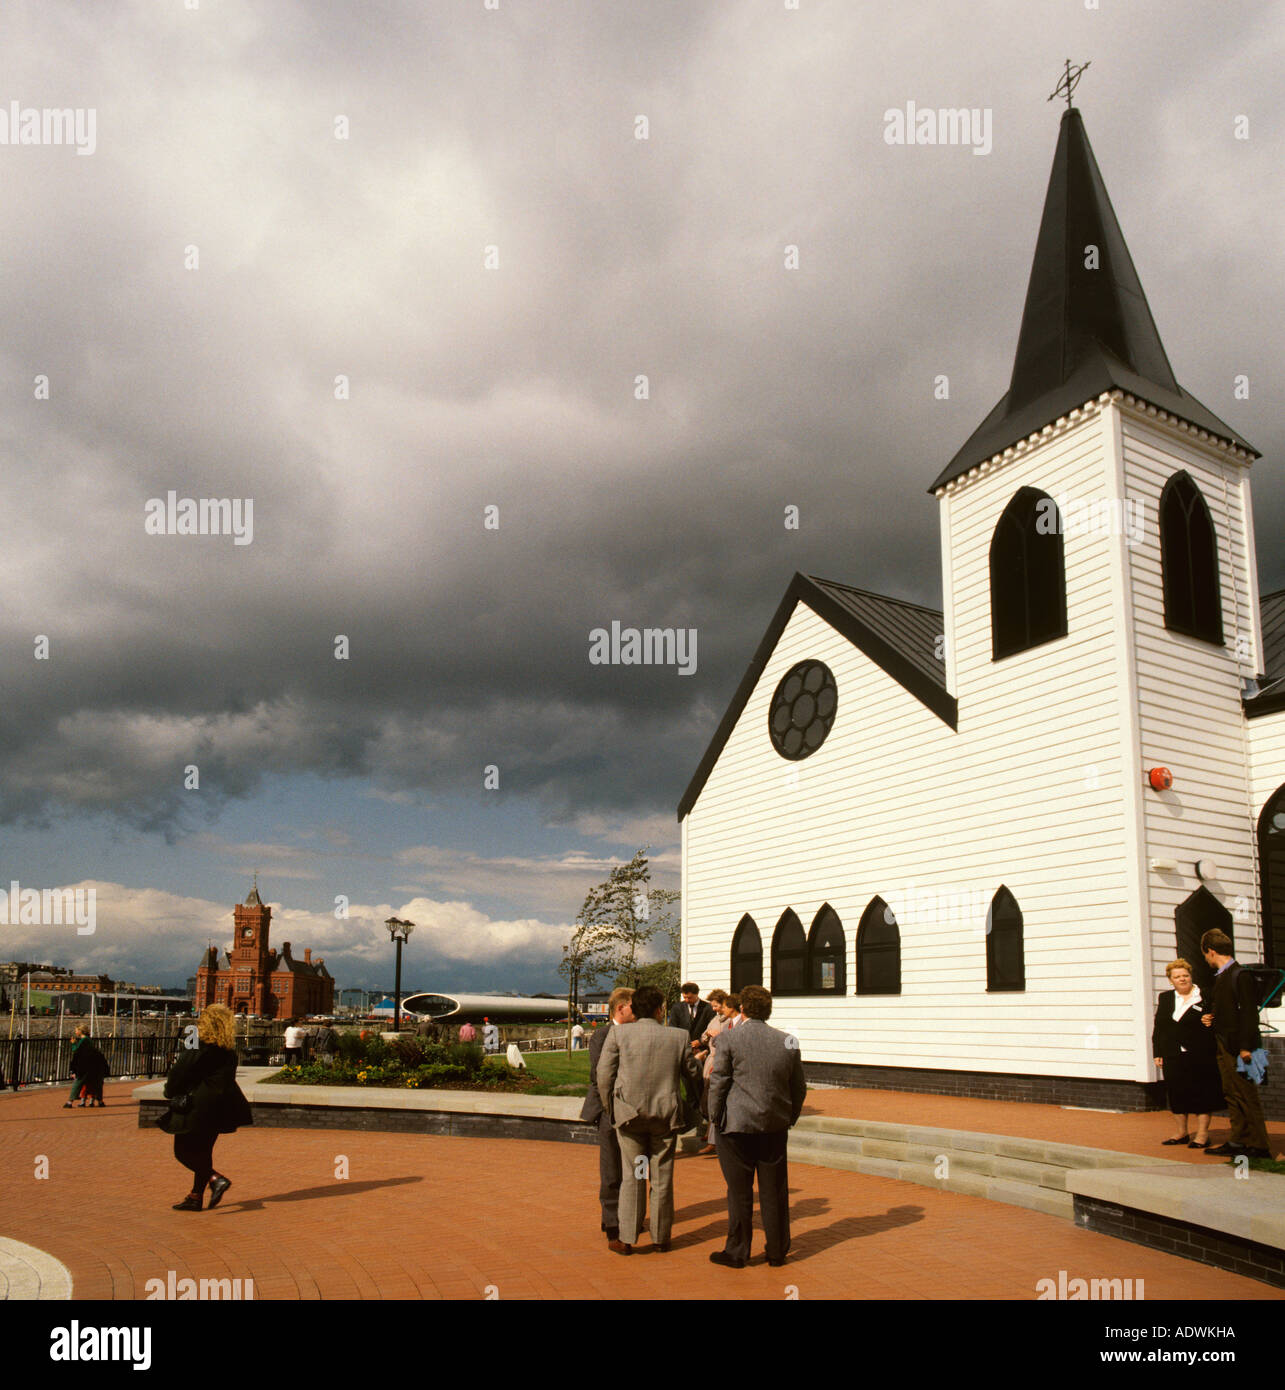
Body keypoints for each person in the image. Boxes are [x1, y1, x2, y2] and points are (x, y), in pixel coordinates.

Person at [707, 984, 807, 1268]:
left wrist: (716, 1117)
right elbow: (798, 1087)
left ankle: (737, 1251)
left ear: (743, 1009)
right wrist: (789, 1117)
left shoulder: (729, 1039)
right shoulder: (788, 1041)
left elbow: (720, 1082)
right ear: (769, 1009)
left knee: (739, 1191)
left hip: (736, 1125)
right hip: (773, 1125)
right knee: (774, 1190)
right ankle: (777, 1250)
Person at [597, 984, 701, 1255]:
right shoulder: (678, 1037)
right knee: (662, 1177)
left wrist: (611, 1108)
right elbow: (693, 1074)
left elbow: (604, 1075)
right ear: (659, 1009)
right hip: (664, 1118)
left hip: (629, 1117)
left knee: (633, 1175)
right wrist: (695, 1104)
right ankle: (661, 1237)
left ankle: (628, 1237)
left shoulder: (619, 1036)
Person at [158, 1003, 253, 1211]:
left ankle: (215, 1178)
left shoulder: (197, 1043)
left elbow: (180, 1070)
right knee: (203, 1151)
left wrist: (170, 1091)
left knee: (182, 1151)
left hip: (198, 1105)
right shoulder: (227, 1049)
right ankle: (195, 1196)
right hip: (222, 1106)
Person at [1200, 930, 1273, 1158]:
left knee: (1246, 1094)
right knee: (1231, 1093)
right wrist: (1211, 1017)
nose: (1206, 959)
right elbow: (1231, 1010)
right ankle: (1238, 1140)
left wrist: (1245, 1047)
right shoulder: (1223, 976)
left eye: (1205, 955)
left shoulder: (1239, 975)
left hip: (1238, 1047)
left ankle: (1259, 1146)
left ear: (1211, 951)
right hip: (1224, 1043)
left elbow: (1249, 1014)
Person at [579, 987, 634, 1247]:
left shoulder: (638, 1033)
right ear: (620, 1007)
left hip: (636, 1113)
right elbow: (598, 1074)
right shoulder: (602, 1035)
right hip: (610, 1111)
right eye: (633, 1007)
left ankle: (633, 1215)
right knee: (611, 1167)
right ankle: (611, 1220)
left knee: (636, 1169)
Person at [1151, 959, 1221, 1149]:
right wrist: (1157, 1052)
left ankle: (1202, 1134)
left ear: (1191, 976)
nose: (1182, 979)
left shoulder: (1205, 995)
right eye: (1177, 977)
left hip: (1200, 1053)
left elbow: (1221, 1016)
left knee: (1202, 1093)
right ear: (1170, 980)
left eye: (1185, 975)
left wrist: (1212, 1020)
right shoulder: (1165, 998)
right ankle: (1181, 1132)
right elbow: (1160, 1027)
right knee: (1177, 1093)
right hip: (1173, 1053)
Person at [695, 990, 729, 1155]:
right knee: (706, 1096)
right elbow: (704, 1036)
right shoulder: (714, 1019)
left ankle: (712, 1140)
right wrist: (706, 1036)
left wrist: (718, 1036)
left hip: (720, 1061)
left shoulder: (730, 1020)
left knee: (714, 1098)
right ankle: (709, 1133)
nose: (714, 1009)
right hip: (710, 1061)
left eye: (716, 1006)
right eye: (713, 1006)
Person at [668, 983, 715, 1054]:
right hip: (682, 1049)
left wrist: (700, 1042)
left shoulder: (708, 1008)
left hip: (702, 1050)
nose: (686, 1000)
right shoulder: (677, 1008)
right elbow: (673, 1028)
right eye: (684, 997)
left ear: (697, 994)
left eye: (689, 998)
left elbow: (712, 1028)